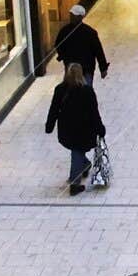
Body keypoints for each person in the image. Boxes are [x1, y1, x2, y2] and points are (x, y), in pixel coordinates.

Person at [44, 62, 105, 195]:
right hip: (84, 129)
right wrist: (100, 129)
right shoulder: (87, 91)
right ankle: (74, 183)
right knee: (77, 152)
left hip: (67, 128)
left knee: (76, 151)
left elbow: (53, 109)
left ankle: (83, 166)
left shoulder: (60, 89)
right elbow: (94, 112)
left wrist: (49, 125)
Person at [52, 4, 108, 80]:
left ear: (81, 17)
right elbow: (58, 45)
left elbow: (98, 51)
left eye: (74, 15)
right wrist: (63, 56)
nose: (72, 17)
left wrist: (103, 68)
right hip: (71, 69)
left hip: (86, 68)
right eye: (71, 14)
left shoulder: (90, 32)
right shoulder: (64, 31)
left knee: (86, 89)